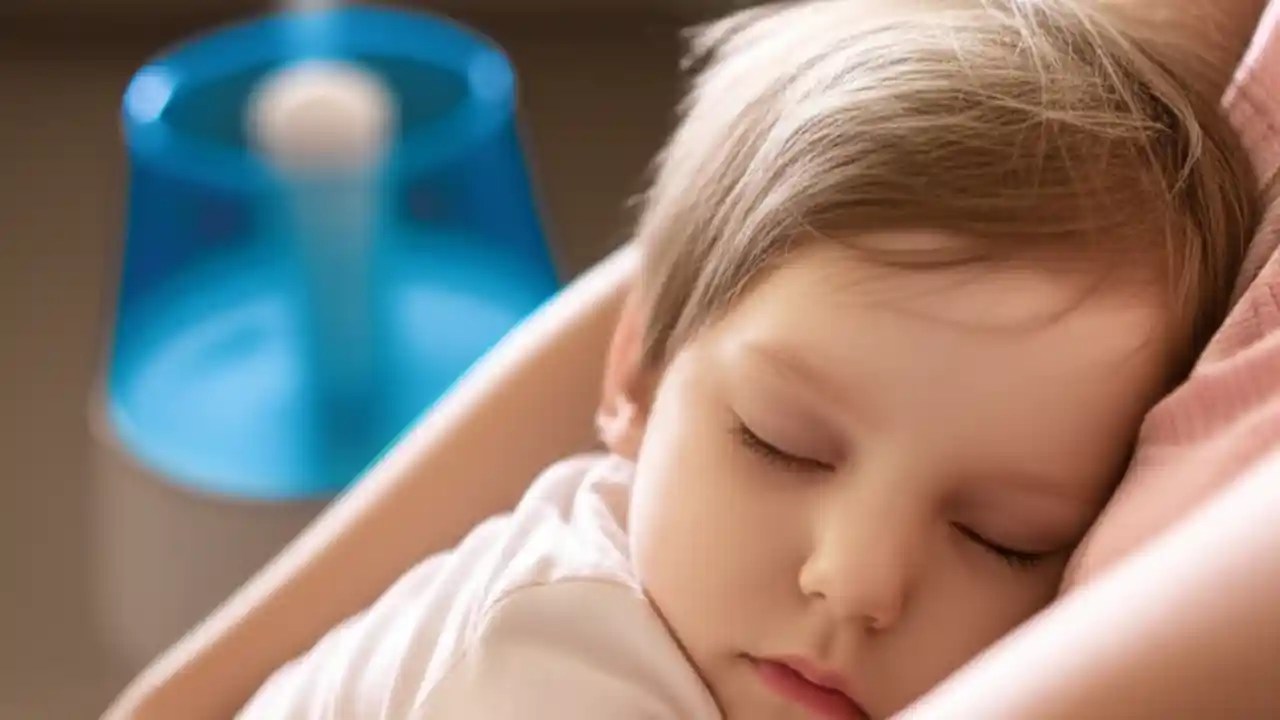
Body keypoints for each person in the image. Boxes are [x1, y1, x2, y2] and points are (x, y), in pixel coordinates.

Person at [104, 1, 1280, 719]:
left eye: (1005, 538)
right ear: (634, 381)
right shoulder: (558, 673)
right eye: (780, 445)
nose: (857, 580)